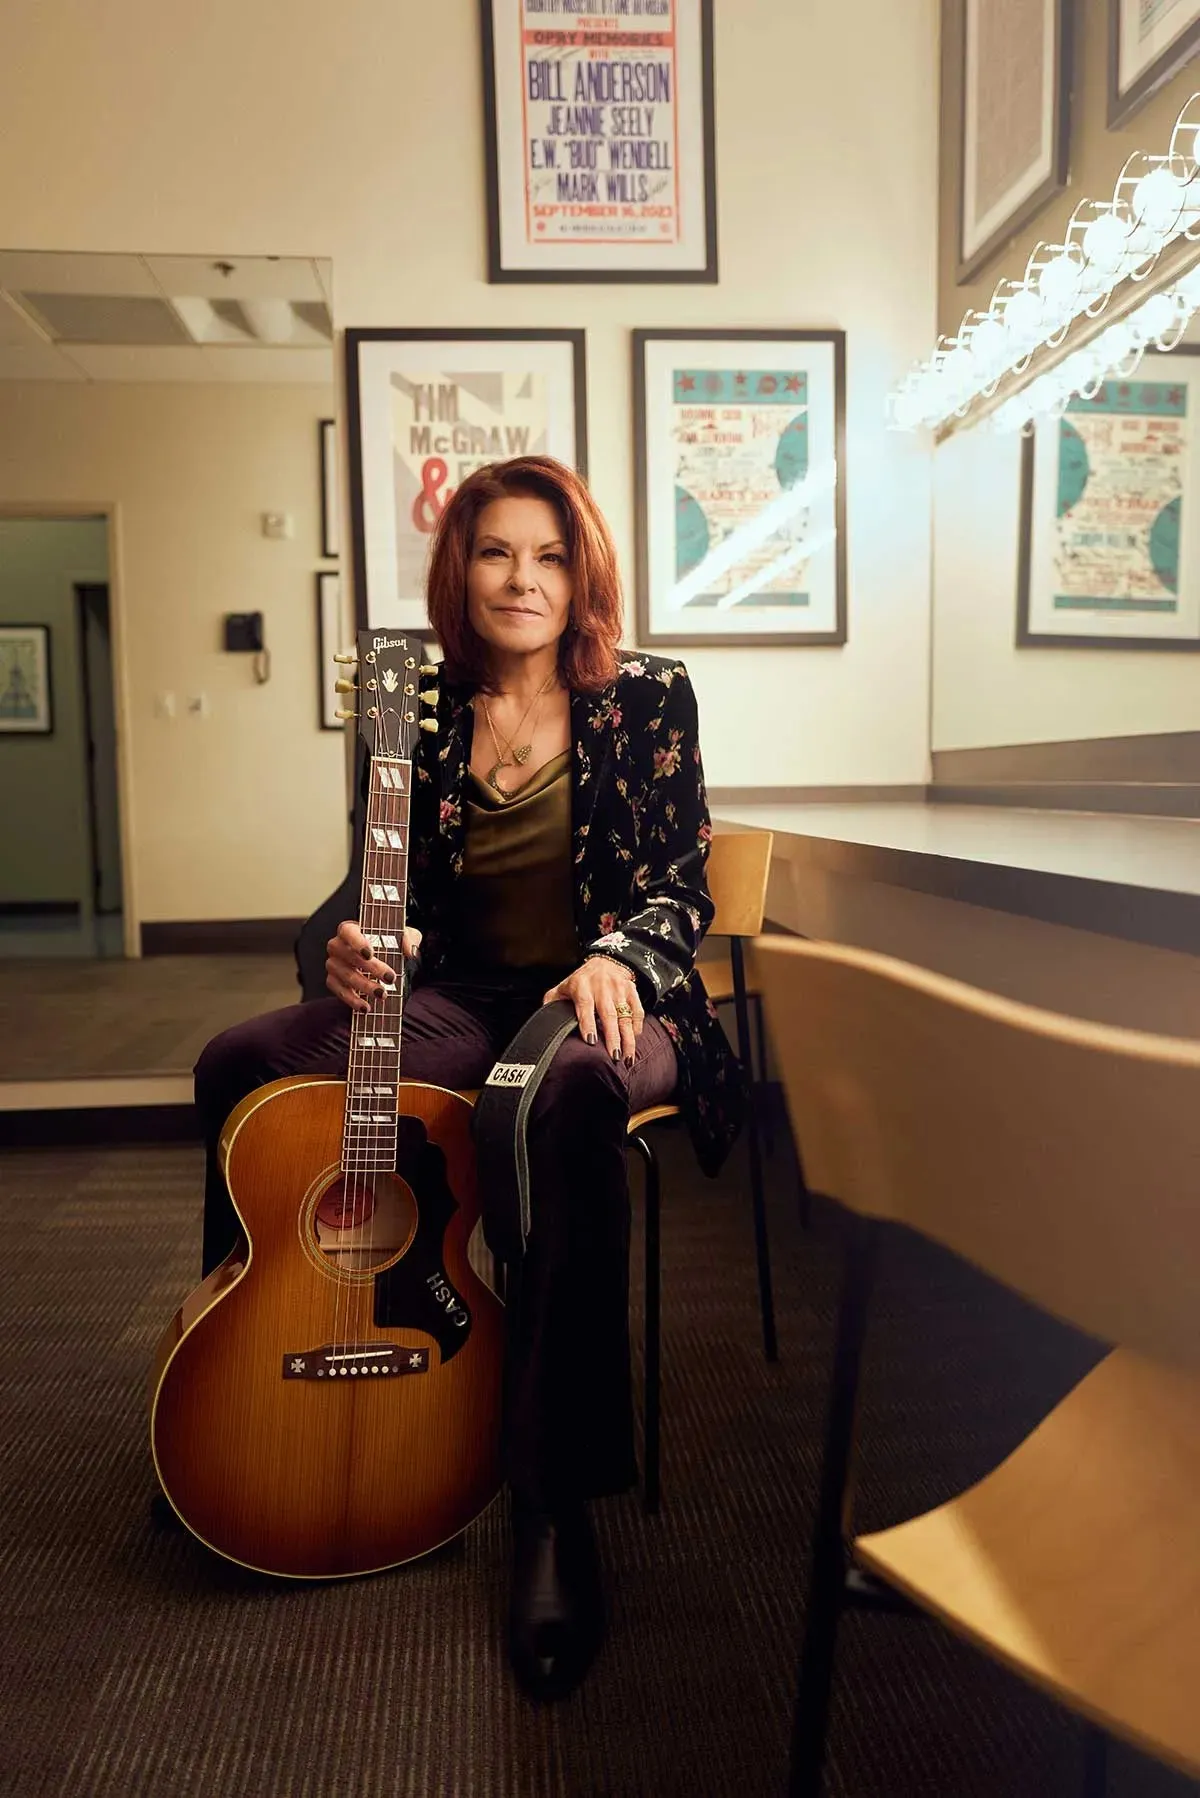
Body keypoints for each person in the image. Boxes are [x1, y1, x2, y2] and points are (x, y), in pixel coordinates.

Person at [193, 455, 745, 1700]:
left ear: (582, 572)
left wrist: (619, 955)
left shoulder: (647, 695)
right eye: (497, 551)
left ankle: (553, 1504)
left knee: (564, 1101)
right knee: (243, 1061)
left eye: (550, 555)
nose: (523, 578)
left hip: (607, 997)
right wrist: (347, 947)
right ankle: (238, 1357)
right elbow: (377, 891)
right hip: (463, 998)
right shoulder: (416, 703)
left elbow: (681, 886)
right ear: (462, 568)